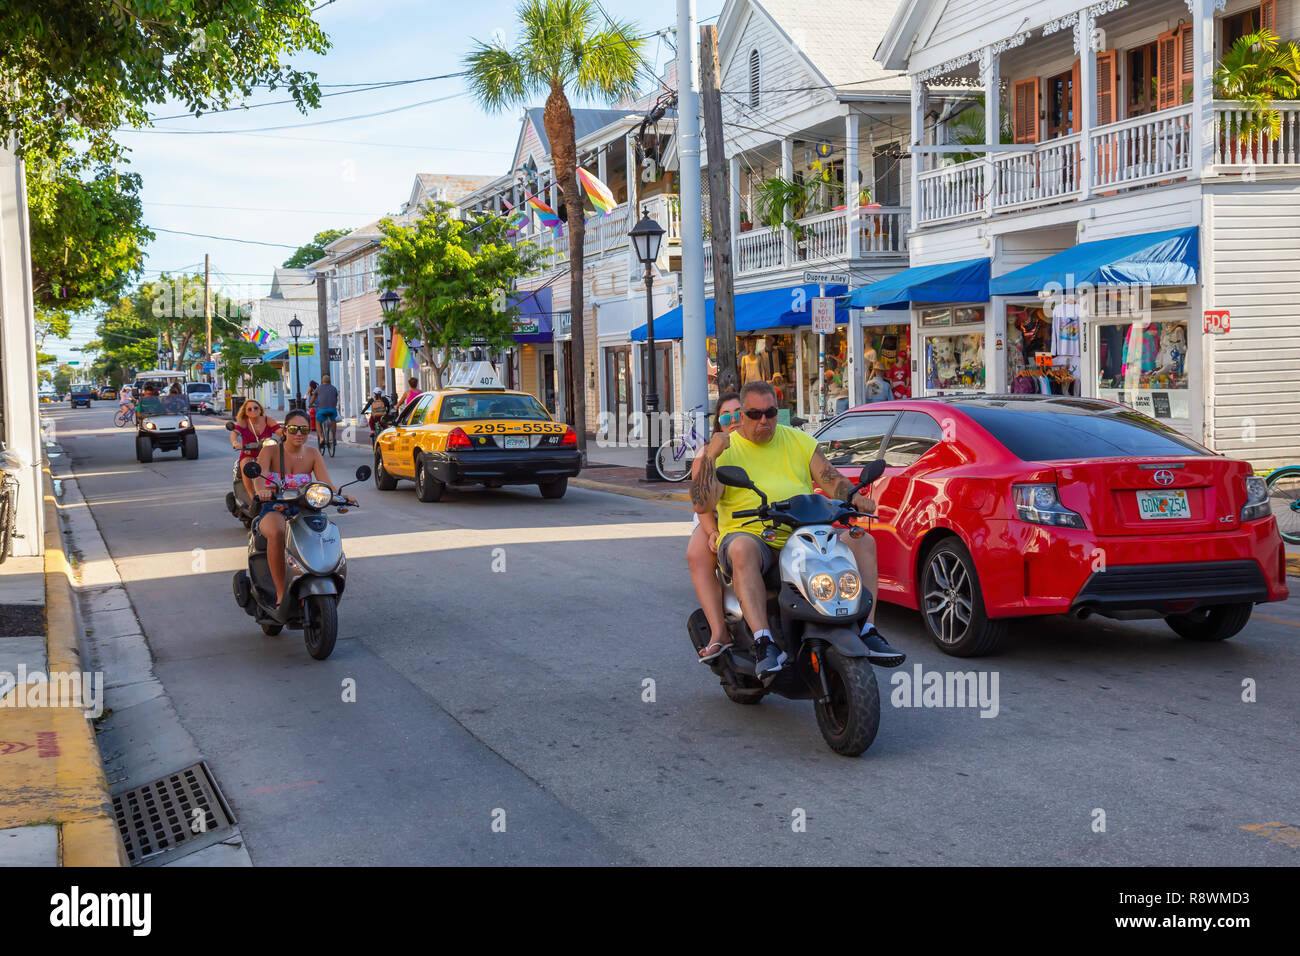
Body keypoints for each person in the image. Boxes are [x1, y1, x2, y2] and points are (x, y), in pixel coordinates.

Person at [691, 380, 905, 677]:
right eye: (755, 414)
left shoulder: (798, 440)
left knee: (862, 540)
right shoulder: (725, 448)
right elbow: (701, 504)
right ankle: (763, 641)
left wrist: (854, 497)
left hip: (803, 531)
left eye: (770, 413)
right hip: (753, 534)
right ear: (741, 416)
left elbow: (830, 478)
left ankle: (868, 629)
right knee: (741, 548)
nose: (764, 420)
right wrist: (711, 456)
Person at [252, 409, 356, 605]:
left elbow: (326, 484)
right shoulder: (270, 451)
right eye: (293, 429)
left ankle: (314, 575)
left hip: (305, 509)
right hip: (275, 508)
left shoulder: (313, 453)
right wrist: (262, 490)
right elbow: (259, 478)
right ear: (284, 430)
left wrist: (341, 497)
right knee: (277, 532)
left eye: (304, 429)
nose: (298, 433)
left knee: (323, 531)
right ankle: (281, 593)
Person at [687, 393, 743, 661]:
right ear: (718, 423)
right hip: (716, 516)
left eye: (739, 413)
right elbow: (702, 504)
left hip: (754, 516)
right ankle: (719, 631)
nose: (734, 421)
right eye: (726, 416)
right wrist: (712, 532)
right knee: (698, 554)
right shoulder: (709, 452)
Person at [229, 399, 281, 502]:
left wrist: (286, 436)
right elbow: (234, 433)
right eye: (249, 409)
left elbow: (279, 431)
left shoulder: (268, 420)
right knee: (245, 465)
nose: (253, 410)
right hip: (249, 453)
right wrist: (235, 443)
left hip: (267, 453)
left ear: (260, 409)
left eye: (255, 408)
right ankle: (252, 497)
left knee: (282, 463)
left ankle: (280, 491)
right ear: (245, 412)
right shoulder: (244, 422)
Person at [309, 374, 340, 444]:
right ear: (329, 381)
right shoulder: (334, 388)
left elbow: (312, 399)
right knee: (333, 420)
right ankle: (334, 437)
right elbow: (336, 400)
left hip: (322, 410)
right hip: (332, 410)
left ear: (322, 381)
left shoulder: (318, 388)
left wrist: (310, 405)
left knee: (318, 421)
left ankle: (321, 438)